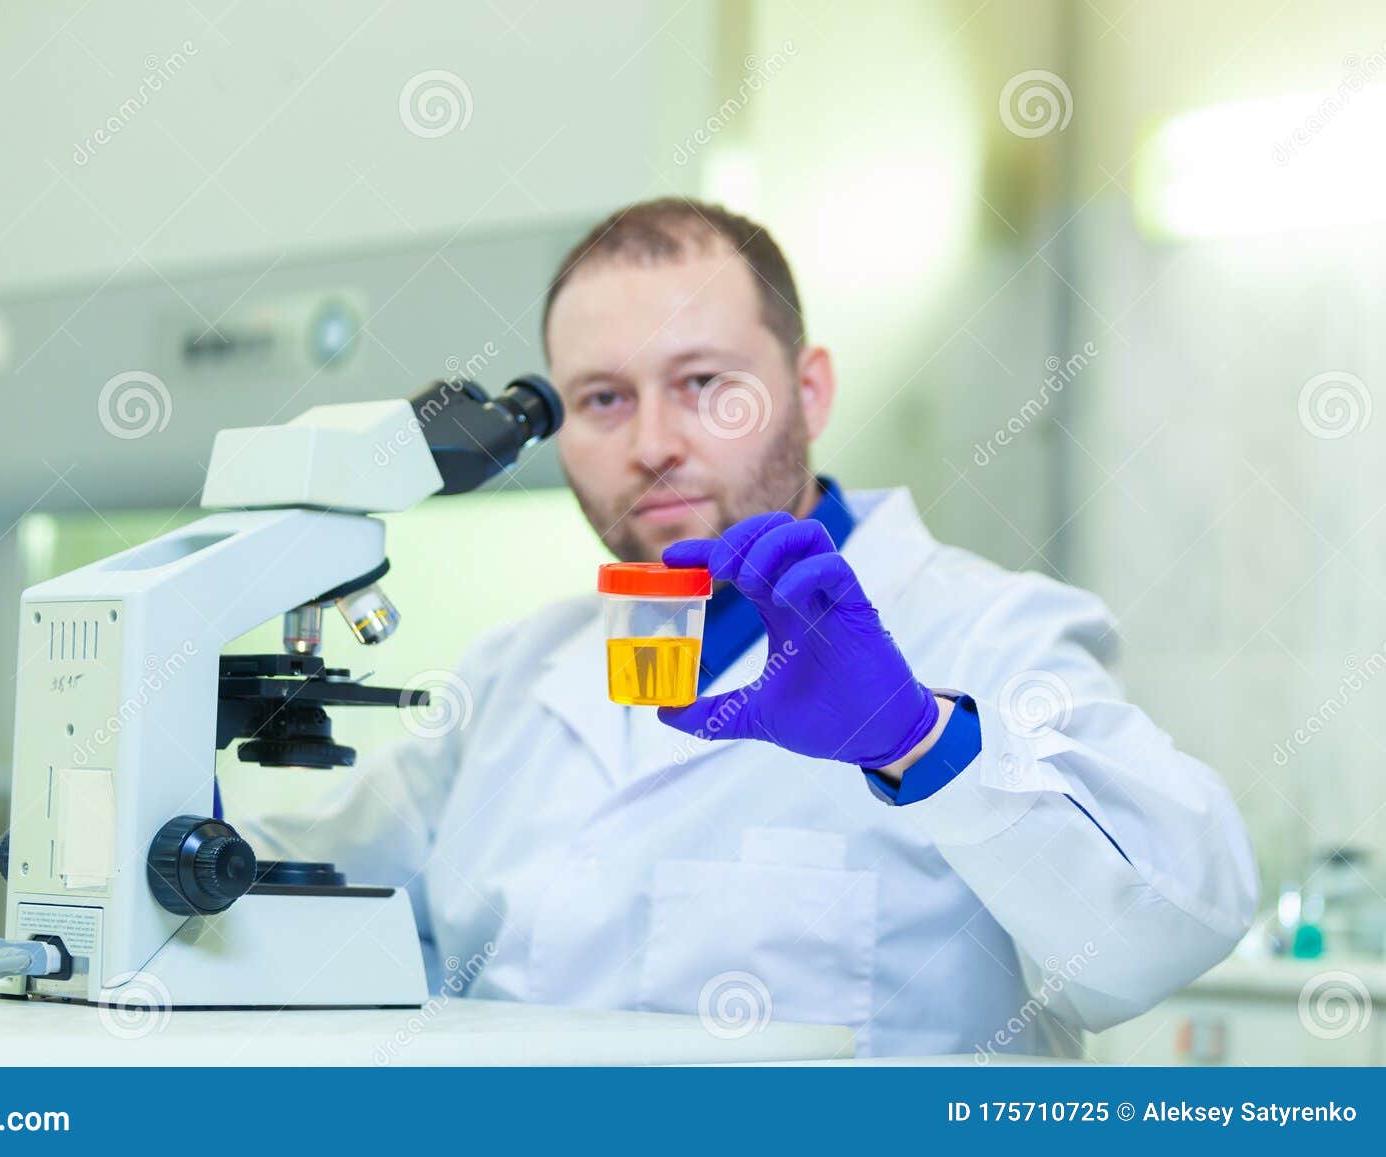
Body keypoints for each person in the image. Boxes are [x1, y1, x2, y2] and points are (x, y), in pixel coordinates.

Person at [245, 198, 1257, 1057]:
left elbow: (1162, 936)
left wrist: (921, 740)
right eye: (602, 398)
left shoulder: (988, 627)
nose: (651, 445)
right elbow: (311, 894)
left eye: (702, 384)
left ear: (806, 389)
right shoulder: (512, 673)